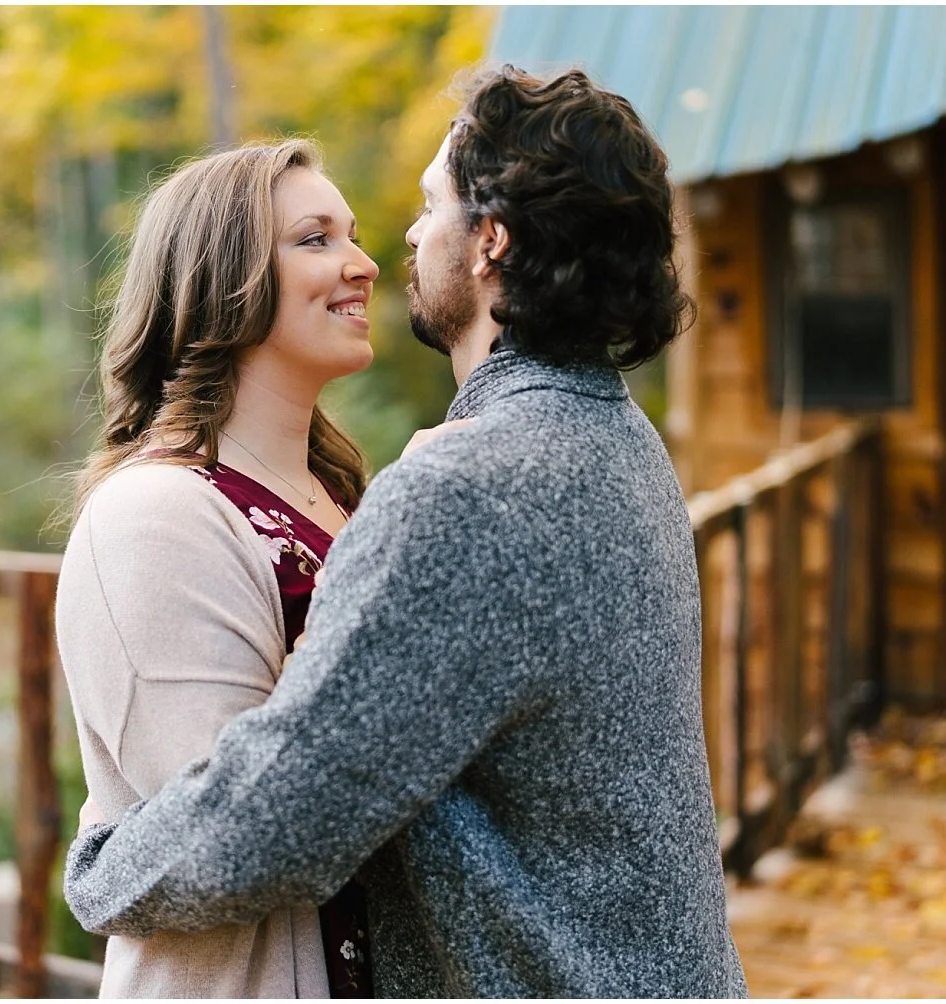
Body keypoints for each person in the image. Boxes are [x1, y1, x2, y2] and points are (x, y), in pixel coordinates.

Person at [65, 65, 749, 998]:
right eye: (318, 237)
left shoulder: (470, 488)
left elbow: (281, 820)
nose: (404, 240)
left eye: (431, 206)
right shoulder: (616, 439)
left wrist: (101, 867)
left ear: (490, 241)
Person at [55, 137, 382, 997]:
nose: (363, 264)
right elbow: (236, 831)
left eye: (352, 236)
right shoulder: (156, 515)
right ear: (223, 277)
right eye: (316, 239)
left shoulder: (342, 496)